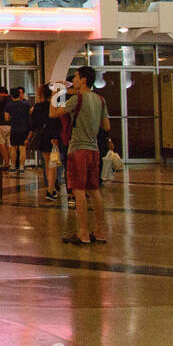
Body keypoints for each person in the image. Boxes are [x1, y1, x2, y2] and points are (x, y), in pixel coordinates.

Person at [51, 67, 110, 246]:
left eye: (76, 77)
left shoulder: (78, 99)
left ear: (83, 80)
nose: (73, 80)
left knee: (78, 190)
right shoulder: (100, 99)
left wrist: (56, 93)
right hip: (94, 149)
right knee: (94, 190)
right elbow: (106, 126)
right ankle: (101, 231)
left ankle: (83, 232)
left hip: (78, 149)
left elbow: (53, 113)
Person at [5, 86, 32, 172]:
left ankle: (13, 166)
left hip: (14, 128)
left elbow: (6, 118)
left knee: (13, 148)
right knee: (22, 148)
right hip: (24, 128)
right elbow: (31, 111)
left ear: (11, 96)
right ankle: (21, 167)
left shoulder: (9, 105)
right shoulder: (26, 104)